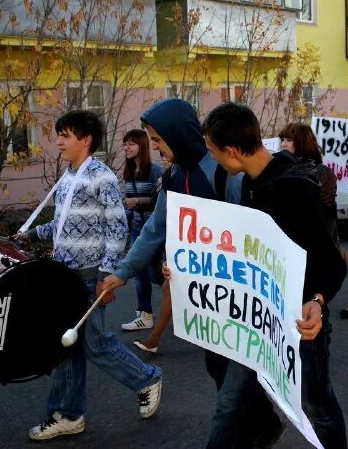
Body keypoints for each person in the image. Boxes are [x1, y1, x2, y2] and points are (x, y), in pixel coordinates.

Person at [101, 99, 283, 448]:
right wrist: (123, 272)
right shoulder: (173, 176)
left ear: (177, 133)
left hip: (239, 296)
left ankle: (242, 432)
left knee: (230, 390)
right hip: (208, 300)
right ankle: (265, 423)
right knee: (217, 366)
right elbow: (156, 228)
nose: (154, 147)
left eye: (157, 139)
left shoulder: (221, 171)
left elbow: (250, 230)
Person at [202, 102, 348, 449]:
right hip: (256, 319)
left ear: (233, 151)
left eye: (213, 151)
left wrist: (317, 301)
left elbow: (334, 262)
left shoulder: (292, 190)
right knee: (230, 395)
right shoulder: (242, 181)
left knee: (317, 406)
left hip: (300, 324)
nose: (212, 159)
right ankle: (263, 428)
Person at [19, 110, 162, 441]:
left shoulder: (102, 177)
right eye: (59, 134)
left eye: (66, 135)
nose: (58, 141)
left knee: (96, 345)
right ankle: (69, 414)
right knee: (66, 346)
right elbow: (63, 225)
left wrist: (107, 273)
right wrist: (32, 233)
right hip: (65, 278)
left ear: (86, 140)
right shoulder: (68, 176)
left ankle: (147, 378)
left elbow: (117, 227)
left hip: (89, 277)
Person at [119, 129, 164, 333]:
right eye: (125, 143)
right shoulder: (128, 173)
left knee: (157, 273)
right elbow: (128, 206)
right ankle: (144, 315)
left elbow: (161, 202)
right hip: (138, 228)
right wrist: (127, 235)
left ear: (142, 146)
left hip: (154, 230)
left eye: (131, 144)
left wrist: (138, 201)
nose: (126, 147)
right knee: (140, 272)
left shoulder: (155, 170)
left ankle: (183, 305)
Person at [279, 122, 340, 240]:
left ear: (302, 142)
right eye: (282, 140)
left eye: (289, 140)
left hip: (311, 244)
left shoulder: (323, 173)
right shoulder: (281, 168)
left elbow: (328, 215)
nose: (283, 144)